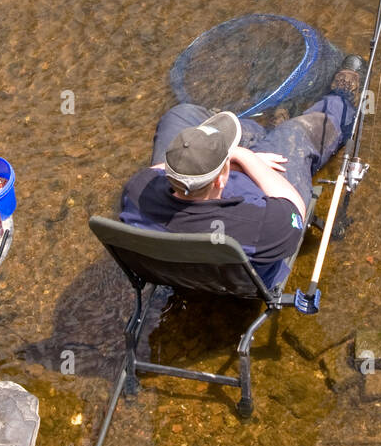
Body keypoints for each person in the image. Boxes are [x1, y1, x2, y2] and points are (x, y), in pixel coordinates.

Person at [118, 56, 363, 288]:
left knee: (180, 115)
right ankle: (339, 102)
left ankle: (262, 135)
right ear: (222, 177)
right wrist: (243, 157)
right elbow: (294, 209)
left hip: (180, 265)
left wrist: (222, 163)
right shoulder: (257, 225)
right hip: (239, 275)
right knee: (294, 136)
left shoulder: (138, 191)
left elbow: (155, 171)